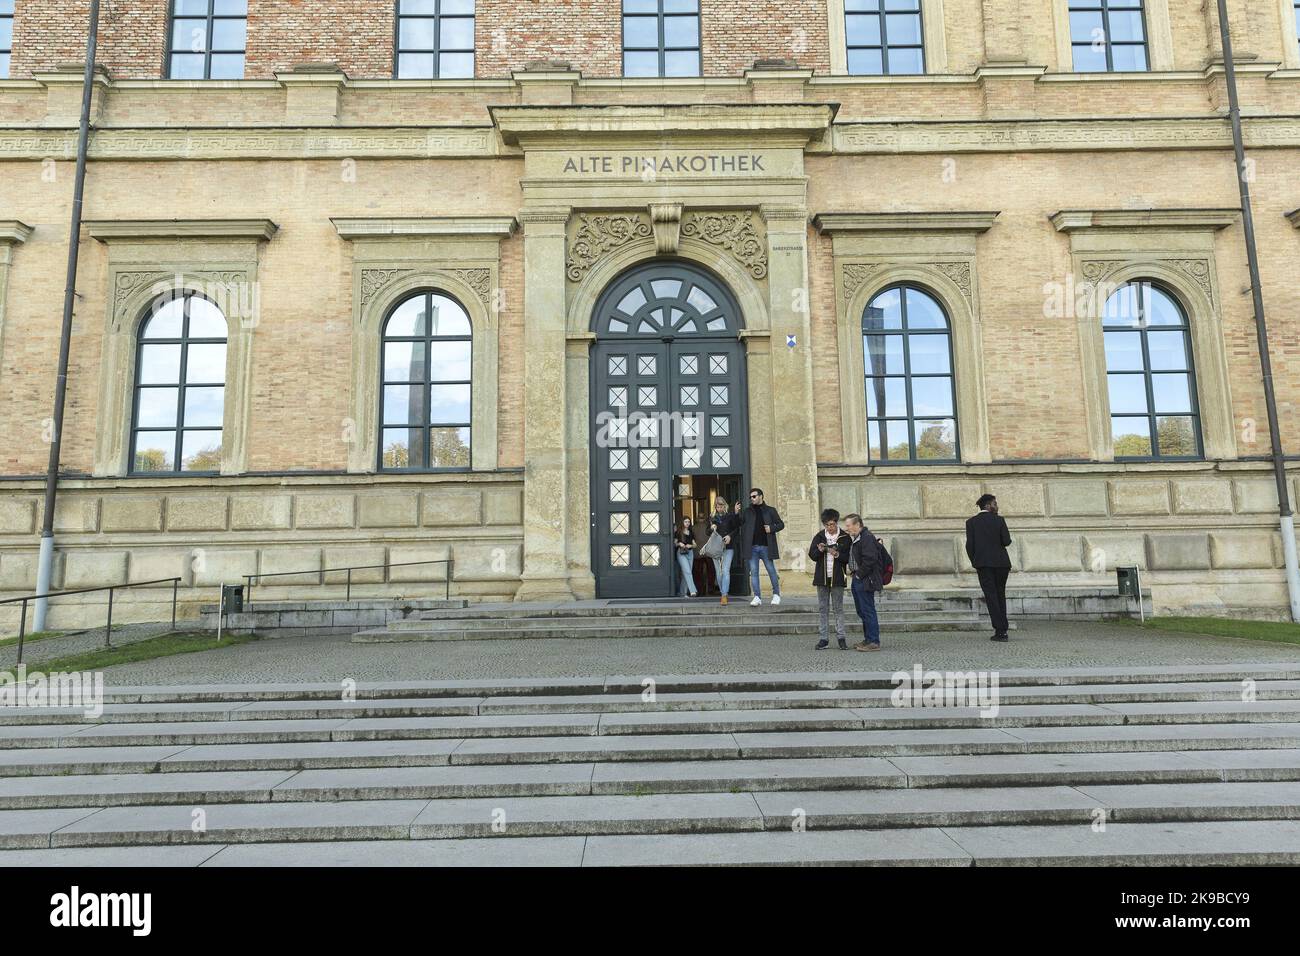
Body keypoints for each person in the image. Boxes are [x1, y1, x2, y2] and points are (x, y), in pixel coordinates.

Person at [966, 493, 1013, 641]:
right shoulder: (999, 520)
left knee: (991, 597)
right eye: (995, 503)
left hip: (984, 564)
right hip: (1002, 564)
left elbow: (969, 546)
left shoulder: (971, 522)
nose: (997, 506)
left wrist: (975, 561)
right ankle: (1003, 628)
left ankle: (1000, 631)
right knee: (1000, 595)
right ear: (987, 505)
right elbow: (1006, 541)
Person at [809, 508, 851, 649]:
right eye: (827, 525)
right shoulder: (820, 536)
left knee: (838, 608)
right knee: (823, 608)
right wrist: (820, 550)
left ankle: (841, 638)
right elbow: (812, 555)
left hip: (838, 578)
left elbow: (849, 558)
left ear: (836, 523)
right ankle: (823, 638)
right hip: (822, 578)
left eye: (832, 524)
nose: (829, 527)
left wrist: (837, 554)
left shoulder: (845, 537)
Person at [843, 513, 882, 650]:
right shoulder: (857, 538)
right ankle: (868, 639)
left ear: (857, 524)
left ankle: (873, 641)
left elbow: (870, 559)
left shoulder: (867, 538)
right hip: (857, 578)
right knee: (862, 611)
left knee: (868, 610)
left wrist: (859, 574)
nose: (847, 528)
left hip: (864, 579)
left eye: (848, 525)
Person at [740, 487, 784, 606]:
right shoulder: (747, 511)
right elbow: (739, 523)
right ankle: (757, 597)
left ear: (761, 496)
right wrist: (735, 512)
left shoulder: (770, 510)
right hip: (752, 547)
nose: (752, 499)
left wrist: (771, 528)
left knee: (771, 570)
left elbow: (781, 524)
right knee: (754, 572)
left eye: (754, 496)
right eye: (750, 497)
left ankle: (776, 594)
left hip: (766, 546)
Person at [707, 496, 739, 605]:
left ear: (724, 506)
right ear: (715, 506)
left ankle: (724, 595)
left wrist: (729, 536)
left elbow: (736, 529)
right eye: (717, 506)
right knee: (719, 572)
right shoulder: (712, 517)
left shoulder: (729, 516)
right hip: (716, 547)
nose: (719, 508)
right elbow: (707, 532)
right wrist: (711, 528)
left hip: (728, 547)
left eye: (721, 506)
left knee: (725, 571)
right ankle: (722, 592)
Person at [674, 517, 698, 597]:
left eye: (688, 522)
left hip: (690, 553)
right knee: (687, 572)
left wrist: (690, 545)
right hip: (681, 553)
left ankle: (682, 593)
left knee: (686, 574)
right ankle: (692, 590)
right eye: (685, 522)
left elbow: (695, 545)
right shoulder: (678, 532)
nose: (687, 523)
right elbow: (674, 543)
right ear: (682, 522)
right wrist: (679, 544)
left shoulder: (691, 532)